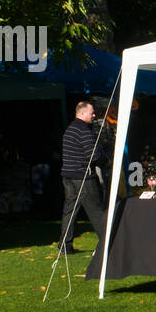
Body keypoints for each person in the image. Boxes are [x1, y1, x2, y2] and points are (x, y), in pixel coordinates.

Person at [60, 100, 108, 254]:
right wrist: (104, 158)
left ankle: (65, 246)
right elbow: (93, 156)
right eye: (91, 112)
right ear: (81, 113)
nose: (94, 115)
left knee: (70, 211)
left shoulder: (70, 129)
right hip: (83, 177)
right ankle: (108, 245)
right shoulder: (83, 131)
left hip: (68, 176)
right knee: (96, 211)